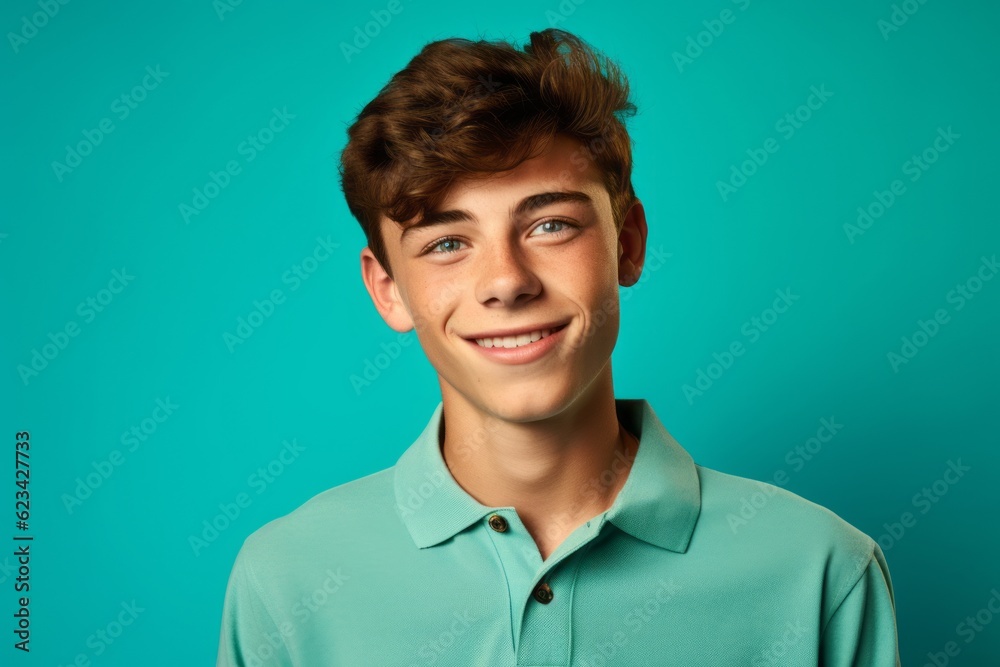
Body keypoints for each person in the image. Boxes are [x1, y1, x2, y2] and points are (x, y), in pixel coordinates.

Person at [217, 28, 900, 666]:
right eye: (448, 243)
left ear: (627, 242)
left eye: (550, 224)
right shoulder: (286, 581)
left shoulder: (822, 572)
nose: (507, 282)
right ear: (388, 288)